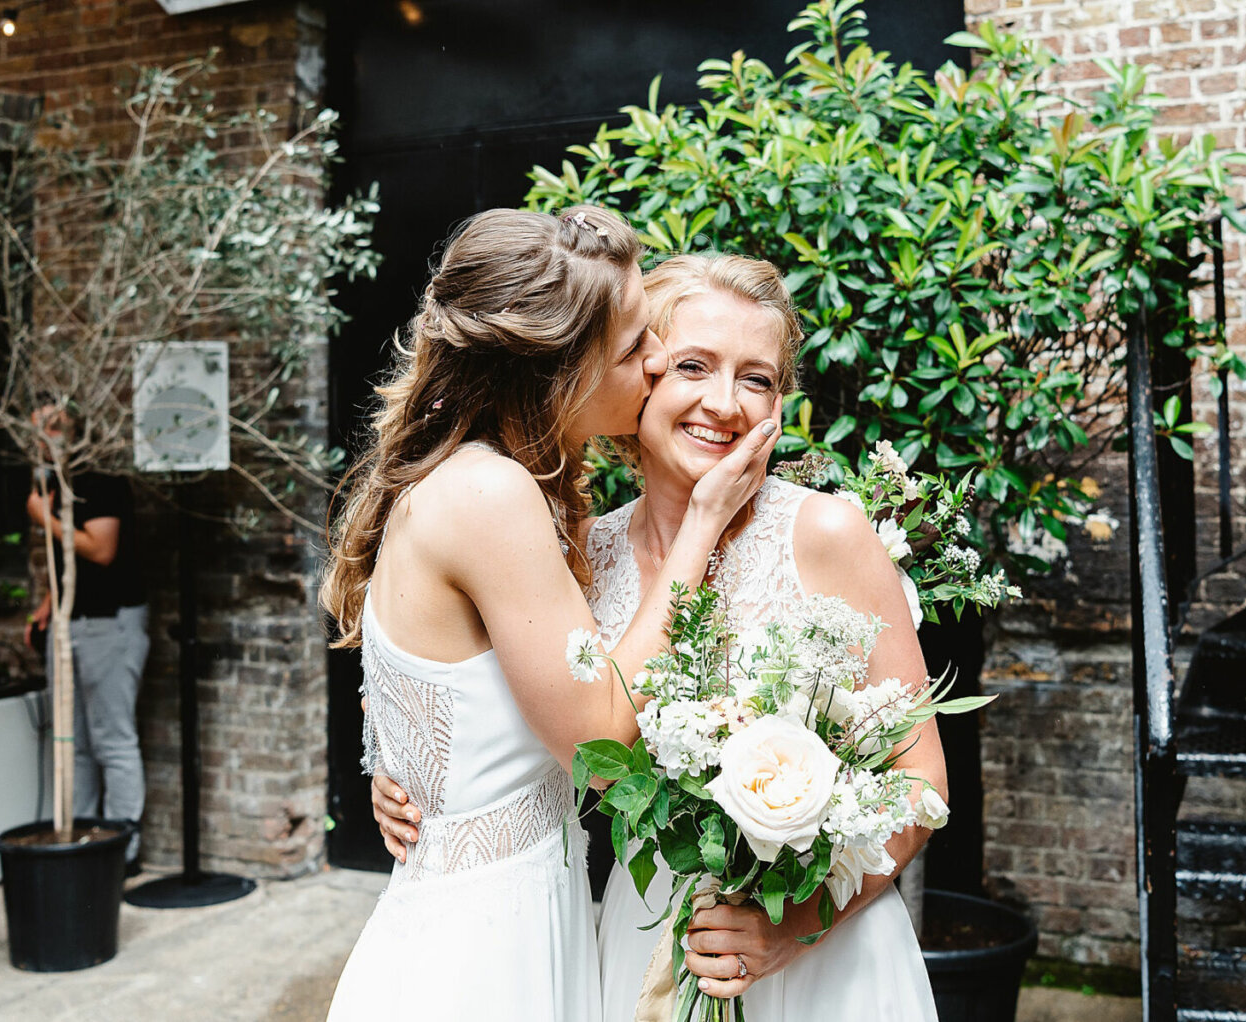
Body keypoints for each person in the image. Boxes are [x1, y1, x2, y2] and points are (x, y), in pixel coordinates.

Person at [374, 253, 944, 1021]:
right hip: (641, 936)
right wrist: (417, 784)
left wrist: (796, 926)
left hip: (818, 960)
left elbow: (923, 783)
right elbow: (519, 716)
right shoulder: (579, 552)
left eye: (757, 378)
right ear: (639, 374)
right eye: (693, 366)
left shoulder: (825, 533)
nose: (725, 403)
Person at [319, 208, 779, 1022]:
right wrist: (702, 526)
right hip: (484, 946)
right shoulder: (490, 494)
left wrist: (407, 774)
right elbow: (599, 746)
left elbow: (438, 697)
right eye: (638, 343)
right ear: (562, 364)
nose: (660, 359)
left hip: (513, 901)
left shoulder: (499, 484)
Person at [25, 407, 151, 866]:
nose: (43, 436)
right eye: (36, 427)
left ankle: (122, 849)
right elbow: (67, 566)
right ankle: (79, 841)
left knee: (112, 740)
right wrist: (47, 607)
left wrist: (44, 517)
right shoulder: (52, 481)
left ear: (77, 429)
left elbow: (100, 549)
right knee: (70, 741)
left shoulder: (99, 480)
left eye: (53, 426)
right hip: (70, 622)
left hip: (109, 622)